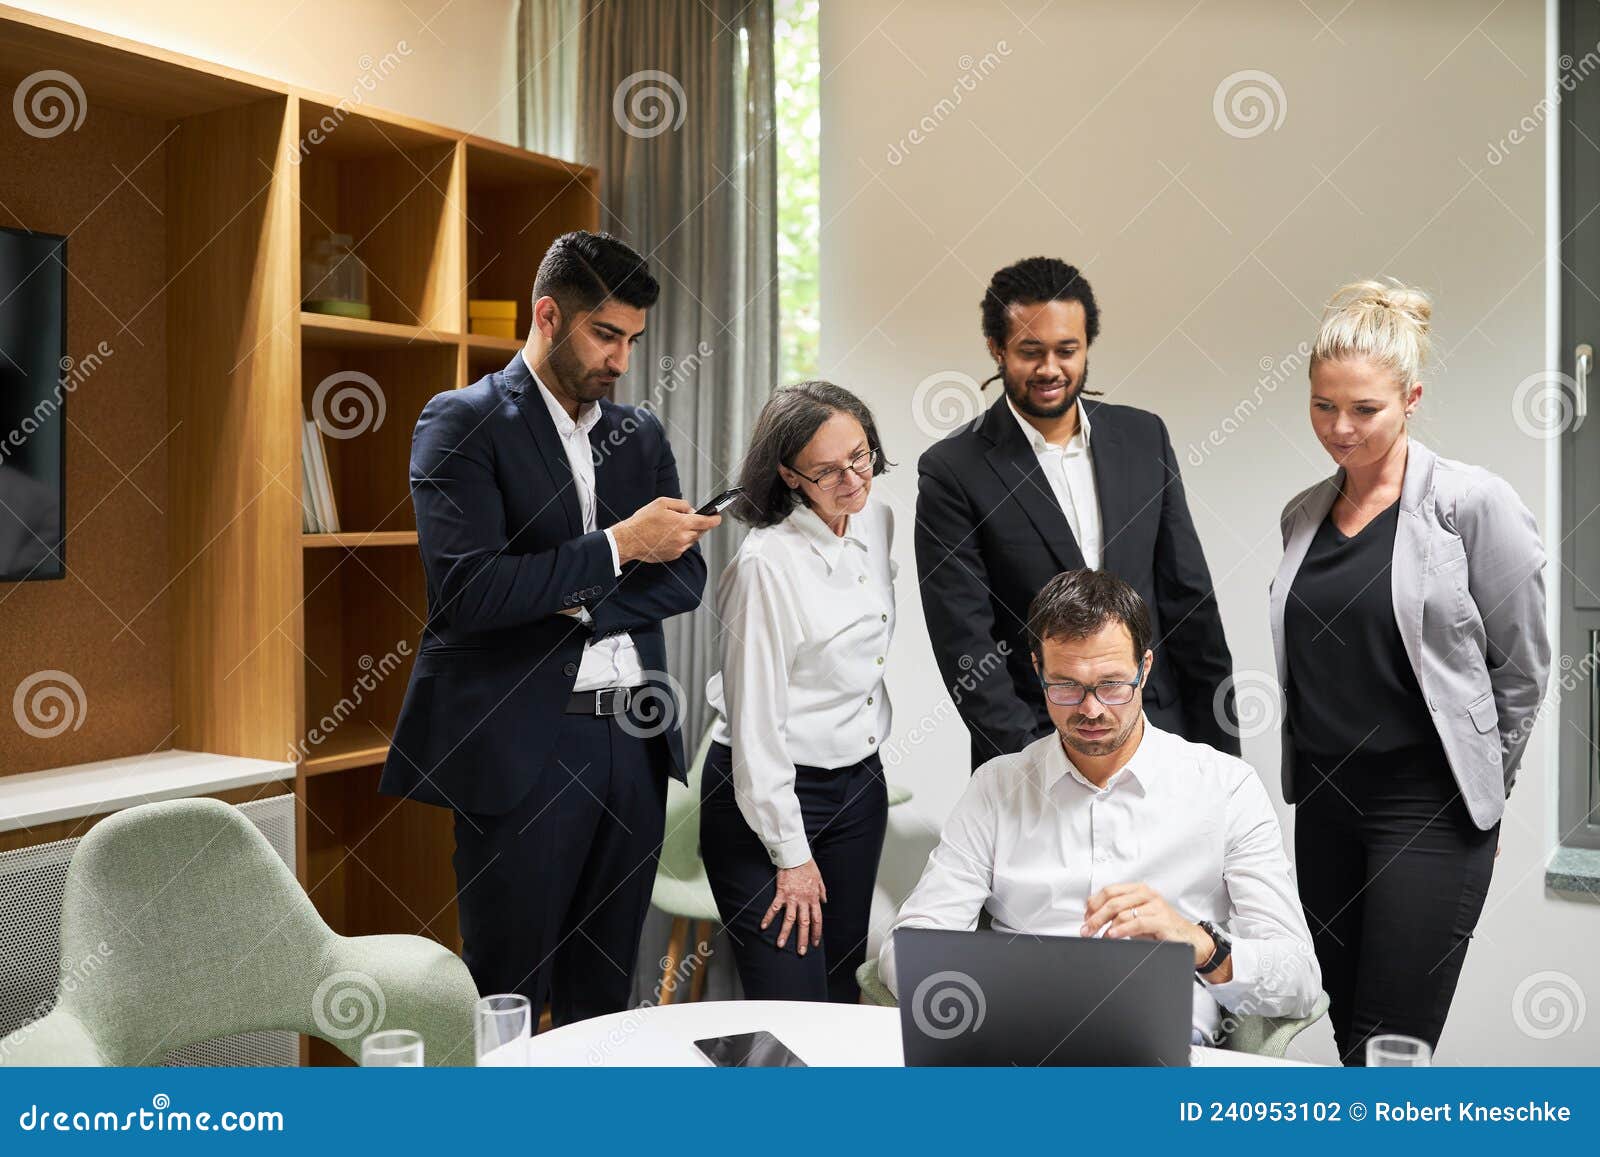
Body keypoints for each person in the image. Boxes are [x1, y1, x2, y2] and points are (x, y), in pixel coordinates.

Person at [380, 231, 720, 1026]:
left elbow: (686, 576)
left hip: (632, 745)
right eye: (606, 335)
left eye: (633, 340)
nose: (622, 360)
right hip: (523, 749)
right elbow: (469, 591)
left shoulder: (639, 434)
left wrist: (576, 597)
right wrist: (618, 547)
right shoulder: (460, 422)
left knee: (606, 996)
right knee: (510, 992)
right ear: (546, 315)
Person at [1271, 279, 1549, 1064]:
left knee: (1391, 1044)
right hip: (1324, 805)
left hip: (1427, 806)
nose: (1341, 427)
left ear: (1411, 398)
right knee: (1347, 1031)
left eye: (1365, 409)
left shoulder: (1471, 505)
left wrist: (1486, 794)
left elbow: (1523, 669)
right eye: (1324, 406)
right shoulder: (1301, 515)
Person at [879, 569, 1319, 1044]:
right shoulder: (996, 787)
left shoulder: (1226, 787)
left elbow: (1299, 979)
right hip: (1017, 1041)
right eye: (1066, 686)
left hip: (1160, 1055)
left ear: (1144, 669)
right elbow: (904, 952)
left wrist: (1201, 945)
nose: (1090, 710)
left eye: (1112, 685)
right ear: (1037, 671)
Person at [915, 256, 1239, 771]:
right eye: (1029, 351)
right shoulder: (952, 470)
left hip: (1160, 738)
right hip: (1033, 745)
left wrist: (1222, 758)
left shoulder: (1143, 437)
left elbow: (1189, 601)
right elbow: (964, 642)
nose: (1050, 369)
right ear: (996, 349)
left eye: (1067, 350)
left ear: (1087, 346)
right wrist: (1031, 765)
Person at [700, 382, 895, 1003]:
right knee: (791, 1004)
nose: (853, 479)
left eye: (860, 456)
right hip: (767, 801)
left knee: (840, 995)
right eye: (827, 470)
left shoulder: (878, 524)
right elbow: (757, 733)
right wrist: (791, 855)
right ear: (788, 475)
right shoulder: (765, 566)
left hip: (859, 789)